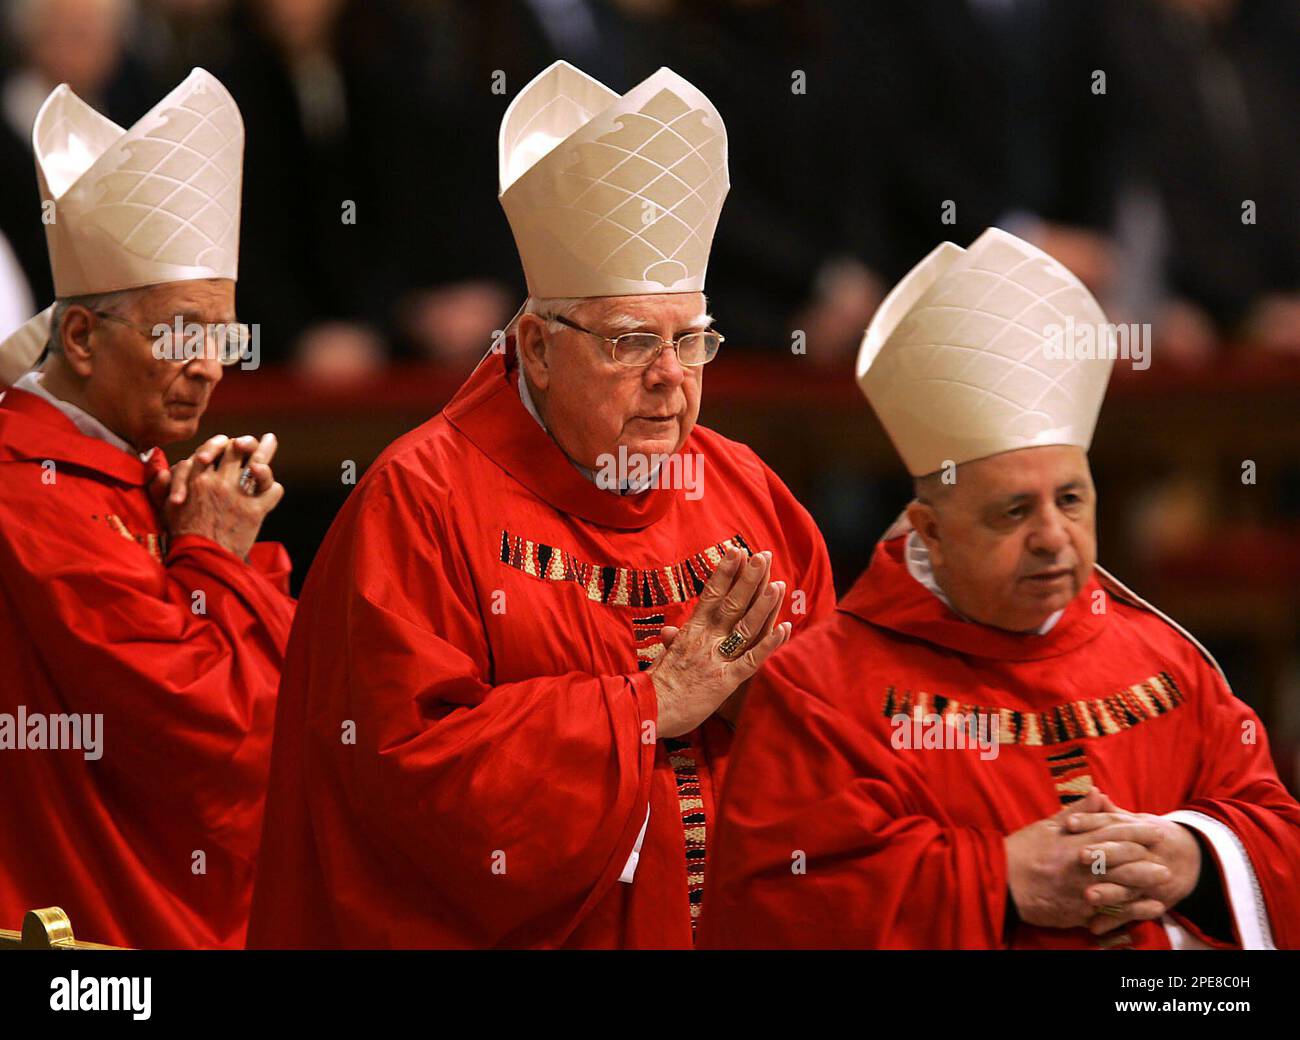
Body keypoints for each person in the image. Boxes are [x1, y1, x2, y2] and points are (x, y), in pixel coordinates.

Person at [248, 60, 835, 949]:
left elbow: (842, 753)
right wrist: (654, 702)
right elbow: (402, 782)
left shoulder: (750, 496)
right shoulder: (420, 505)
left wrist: (770, 712)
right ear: (537, 346)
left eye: (691, 340)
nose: (671, 378)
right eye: (633, 340)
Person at [700, 227, 1300, 950]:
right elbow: (780, 909)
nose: (1053, 536)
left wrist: (1196, 855)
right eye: (1015, 511)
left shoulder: (1167, 662)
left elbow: (1275, 830)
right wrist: (997, 878)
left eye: (1072, 500)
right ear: (931, 530)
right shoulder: (820, 693)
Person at [0, 69, 295, 949]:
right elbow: (216, 736)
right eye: (180, 334)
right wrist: (211, 558)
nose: (208, 366)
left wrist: (212, 550)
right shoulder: (30, 497)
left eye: (222, 337)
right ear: (83, 339)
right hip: (92, 936)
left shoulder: (146, 479)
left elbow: (297, 703)